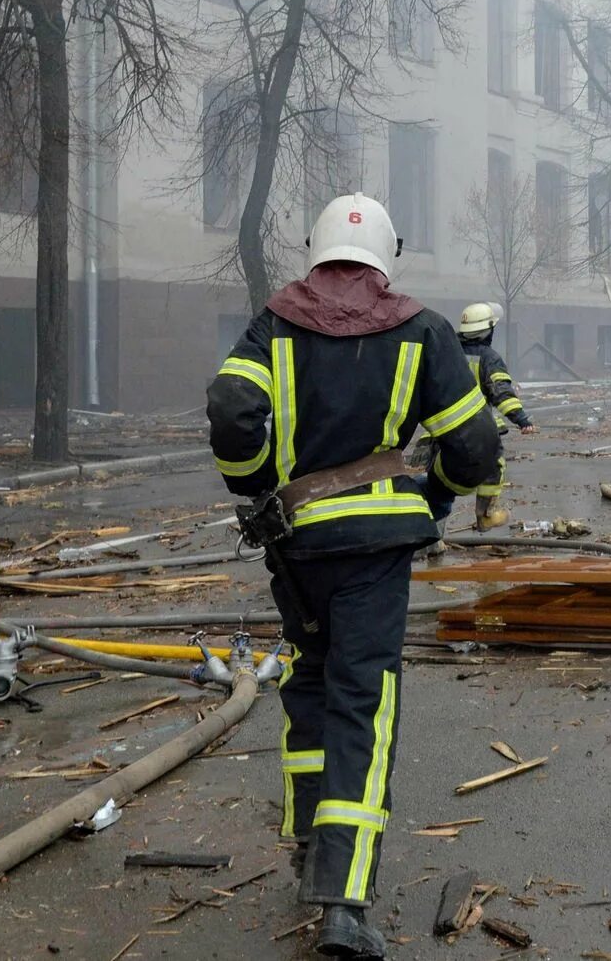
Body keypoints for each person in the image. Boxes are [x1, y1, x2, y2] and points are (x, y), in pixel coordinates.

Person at [207, 194, 500, 959]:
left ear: (315, 247)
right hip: (375, 553)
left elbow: (233, 409)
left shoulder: (276, 321)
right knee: (363, 703)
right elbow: (476, 448)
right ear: (388, 255)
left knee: (307, 683)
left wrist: (253, 486)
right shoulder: (422, 330)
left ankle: (309, 840)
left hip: (295, 546)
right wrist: (432, 501)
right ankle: (343, 895)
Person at [458, 302, 536, 532]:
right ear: (488, 330)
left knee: (441, 479)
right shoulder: (489, 357)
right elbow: (501, 392)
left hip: (444, 426)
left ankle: (433, 536)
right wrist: (522, 419)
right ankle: (485, 516)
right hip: (476, 426)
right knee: (494, 467)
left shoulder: (448, 349)